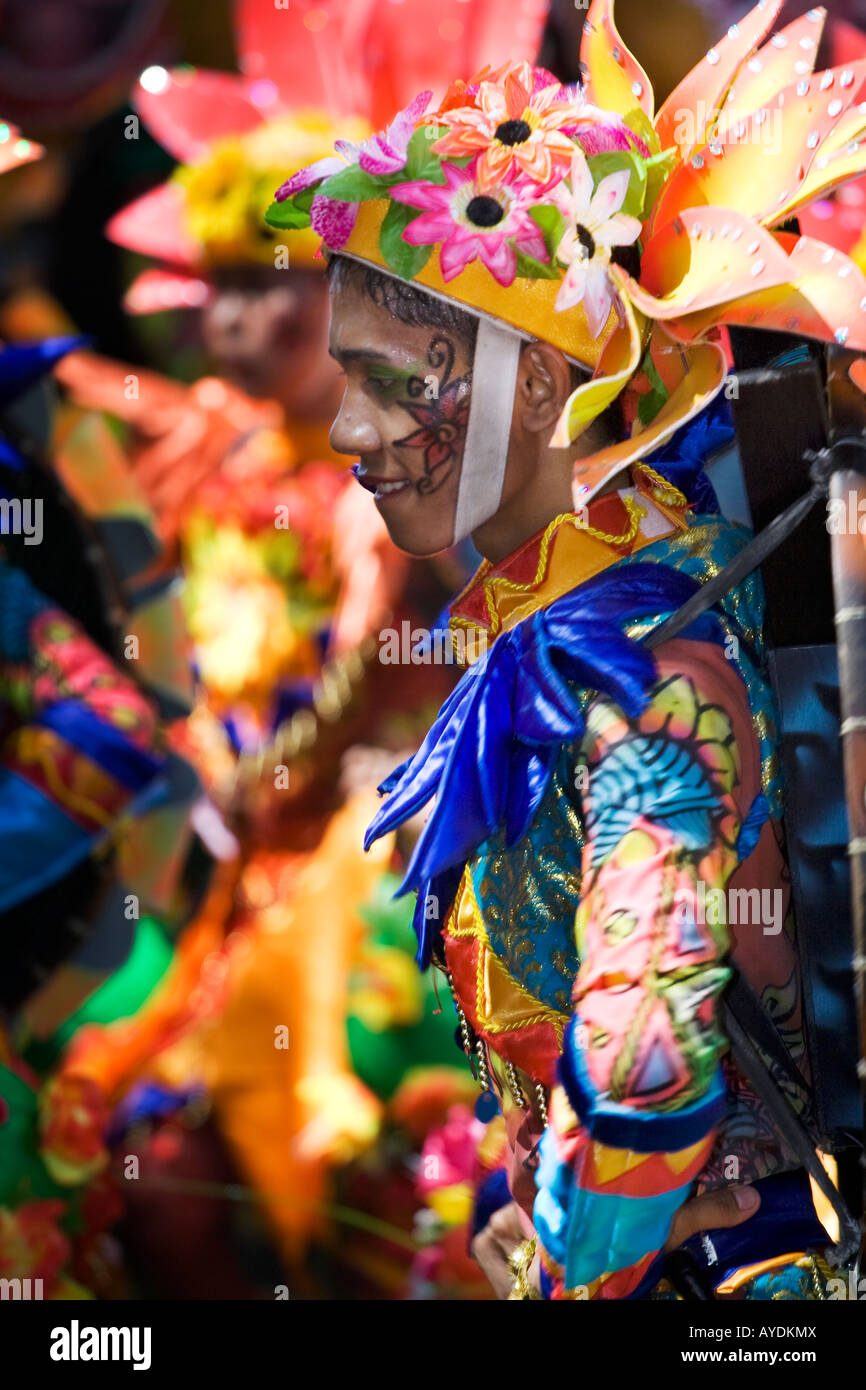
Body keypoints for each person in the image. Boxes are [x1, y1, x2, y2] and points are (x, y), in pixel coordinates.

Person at [269, 0, 866, 1299]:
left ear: (540, 389)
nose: (350, 430)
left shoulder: (639, 669)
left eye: (394, 380)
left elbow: (646, 1070)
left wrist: (557, 1257)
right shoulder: (566, 640)